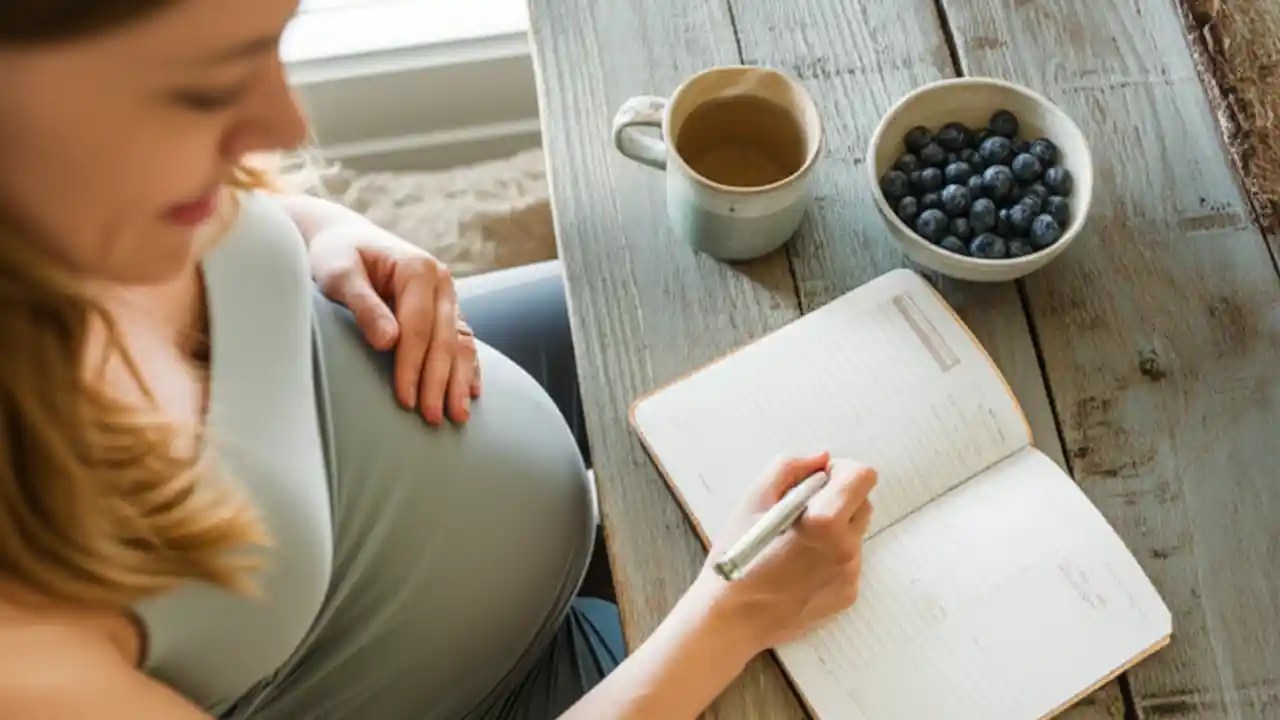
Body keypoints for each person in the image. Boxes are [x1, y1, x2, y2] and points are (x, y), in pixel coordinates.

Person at [0, 1, 878, 718]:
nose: (283, 120)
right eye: (198, 92)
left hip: (447, 389)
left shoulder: (65, 188)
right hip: (514, 689)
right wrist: (734, 614)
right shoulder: (24, 657)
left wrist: (330, 233)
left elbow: (250, 207)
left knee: (741, 320)